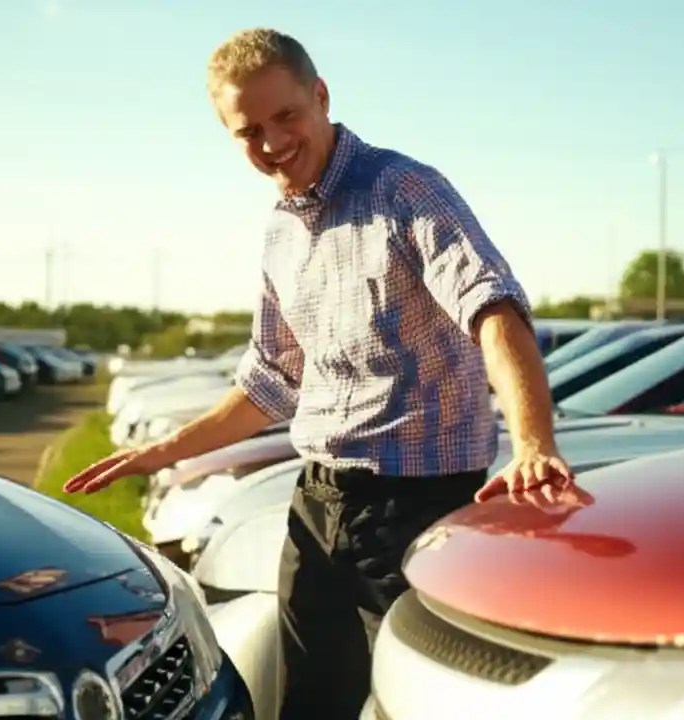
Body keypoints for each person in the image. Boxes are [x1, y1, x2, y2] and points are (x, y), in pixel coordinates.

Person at [64, 27, 574, 719]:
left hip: (417, 511)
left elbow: (494, 311)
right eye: (248, 131)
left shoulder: (405, 191)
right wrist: (167, 451)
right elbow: (270, 380)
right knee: (309, 704)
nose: (271, 143)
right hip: (318, 509)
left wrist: (535, 444)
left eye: (286, 117)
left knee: (411, 705)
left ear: (322, 96)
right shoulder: (280, 232)